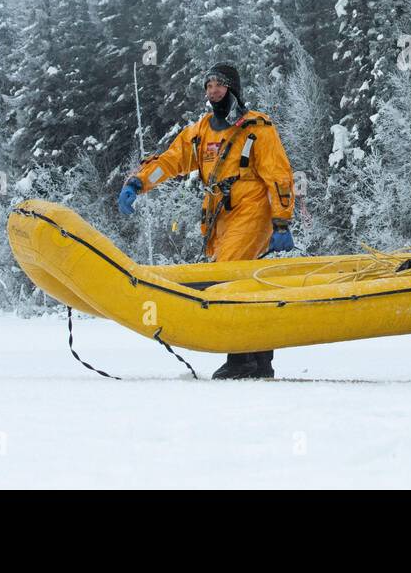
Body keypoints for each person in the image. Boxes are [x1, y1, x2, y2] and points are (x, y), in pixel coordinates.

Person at [118, 61, 296, 380]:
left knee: (227, 278)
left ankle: (241, 359)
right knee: (244, 286)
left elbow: (278, 173)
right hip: (219, 219)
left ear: (233, 88)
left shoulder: (257, 127)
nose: (213, 89)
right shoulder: (200, 132)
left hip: (251, 211)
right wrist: (138, 182)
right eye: (208, 84)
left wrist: (282, 219)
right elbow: (170, 162)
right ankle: (260, 359)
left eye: (219, 83)